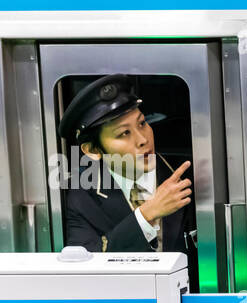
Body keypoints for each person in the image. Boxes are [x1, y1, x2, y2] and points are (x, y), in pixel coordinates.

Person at [58, 74, 197, 284]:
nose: (143, 140)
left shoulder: (188, 174)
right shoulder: (83, 197)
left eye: (142, 123)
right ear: (93, 150)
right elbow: (86, 272)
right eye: (124, 133)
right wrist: (147, 214)